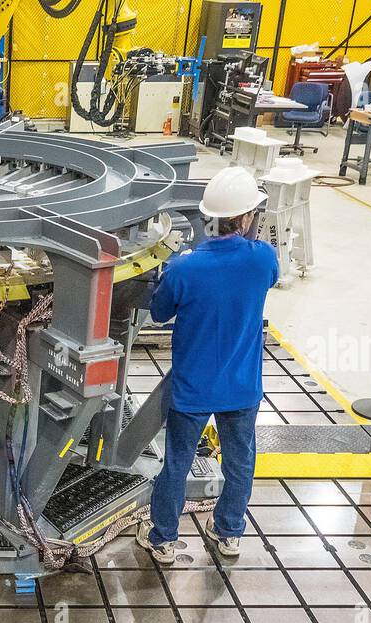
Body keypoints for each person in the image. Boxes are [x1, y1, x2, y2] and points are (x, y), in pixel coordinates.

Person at [136, 166, 279, 565]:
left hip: (193, 389)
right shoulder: (263, 259)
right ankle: (229, 532)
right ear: (248, 217)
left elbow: (160, 313)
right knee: (240, 461)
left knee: (177, 463)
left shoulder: (185, 268)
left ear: (208, 217)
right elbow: (265, 280)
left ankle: (163, 539)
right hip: (242, 387)